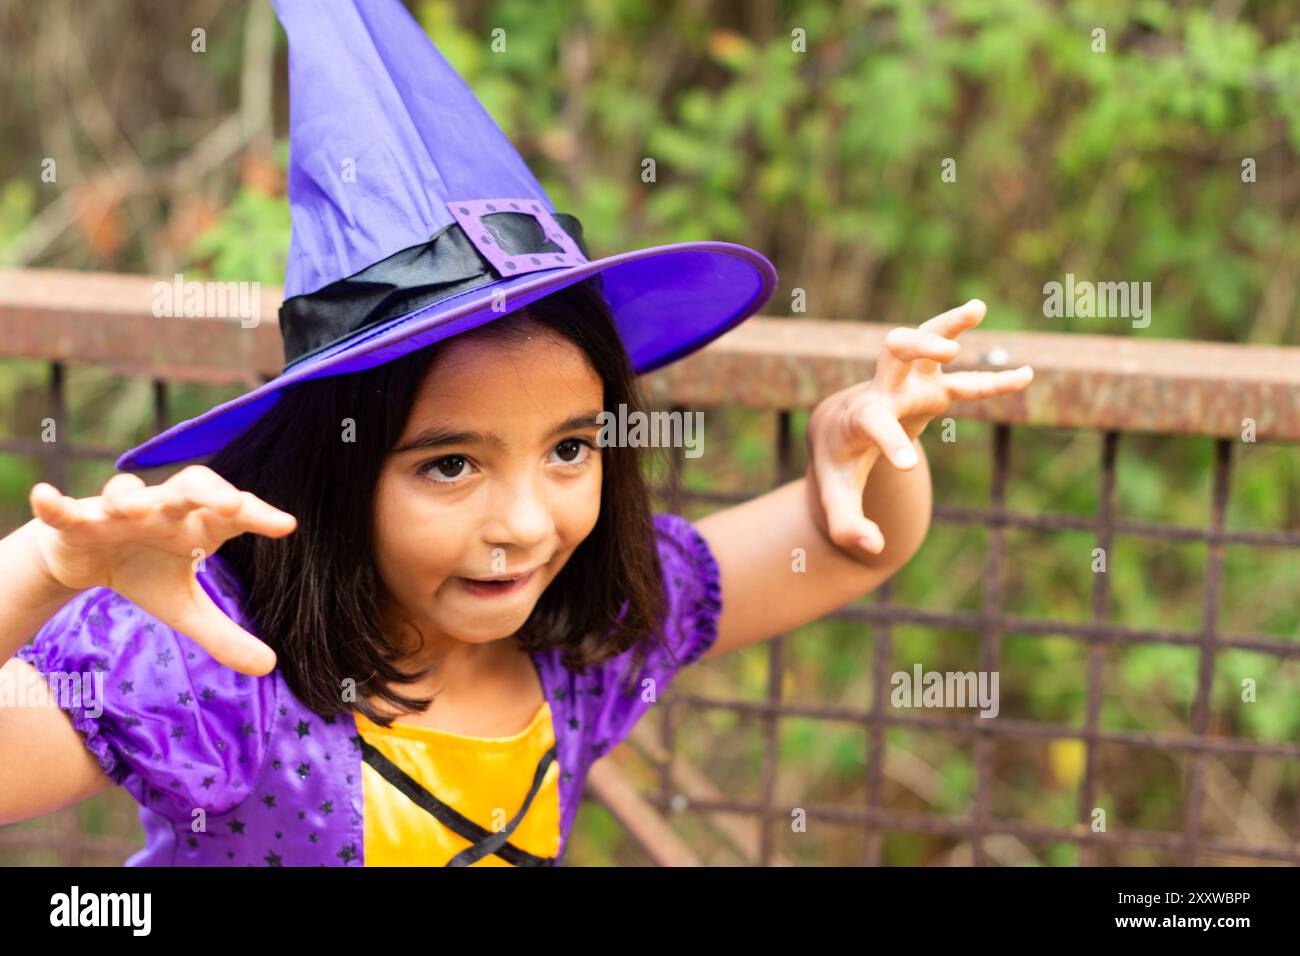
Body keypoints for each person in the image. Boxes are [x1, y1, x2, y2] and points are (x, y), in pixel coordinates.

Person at [0, 0, 1032, 866]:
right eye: (450, 463)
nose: (527, 522)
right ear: (333, 469)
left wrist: (865, 448)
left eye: (570, 447)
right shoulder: (220, 668)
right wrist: (44, 566)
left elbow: (856, 541)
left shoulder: (591, 637)